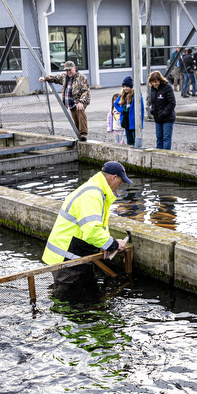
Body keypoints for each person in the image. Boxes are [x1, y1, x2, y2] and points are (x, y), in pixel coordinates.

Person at [42, 161, 130, 297]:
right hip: (68, 259)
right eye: (120, 182)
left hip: (73, 254)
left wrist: (104, 245)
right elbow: (92, 231)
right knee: (70, 301)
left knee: (75, 301)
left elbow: (97, 226)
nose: (119, 187)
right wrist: (114, 244)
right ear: (113, 178)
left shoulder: (96, 191)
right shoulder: (92, 195)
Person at [40, 61, 91, 142]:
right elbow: (56, 78)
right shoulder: (65, 77)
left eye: (69, 70)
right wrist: (45, 78)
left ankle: (84, 133)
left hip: (80, 101)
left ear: (74, 68)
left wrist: (81, 101)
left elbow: (86, 91)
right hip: (71, 103)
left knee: (80, 111)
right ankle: (79, 135)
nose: (68, 72)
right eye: (66, 70)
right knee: (75, 118)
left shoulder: (82, 78)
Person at [148, 70, 176, 150]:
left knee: (166, 138)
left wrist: (164, 113)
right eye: (153, 82)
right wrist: (152, 110)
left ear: (160, 80)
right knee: (159, 138)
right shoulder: (152, 89)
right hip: (158, 118)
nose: (154, 84)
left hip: (167, 118)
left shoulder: (167, 87)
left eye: (156, 82)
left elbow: (172, 103)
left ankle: (166, 155)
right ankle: (158, 154)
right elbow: (153, 102)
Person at [113, 77, 143, 146]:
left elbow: (141, 109)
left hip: (133, 121)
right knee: (129, 140)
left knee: (135, 138)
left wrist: (140, 122)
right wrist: (122, 110)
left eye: (127, 86)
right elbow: (115, 103)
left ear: (131, 86)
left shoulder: (136, 94)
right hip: (126, 120)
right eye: (124, 86)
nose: (125, 88)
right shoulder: (122, 94)